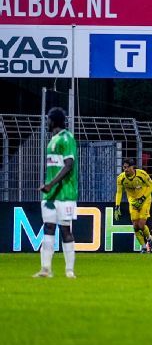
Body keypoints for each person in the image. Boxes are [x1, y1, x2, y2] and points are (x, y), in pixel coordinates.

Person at [34, 107, 77, 279]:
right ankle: (46, 269)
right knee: (49, 228)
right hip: (50, 195)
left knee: (66, 229)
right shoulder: (53, 140)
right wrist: (48, 186)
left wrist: (50, 184)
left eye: (48, 119)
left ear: (54, 120)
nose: (47, 122)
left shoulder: (67, 138)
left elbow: (68, 165)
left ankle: (69, 270)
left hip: (65, 194)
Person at [115, 162, 152, 252]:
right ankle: (144, 247)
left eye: (127, 167)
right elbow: (119, 192)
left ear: (132, 167)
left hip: (145, 200)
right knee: (135, 226)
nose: (125, 169)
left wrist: (143, 197)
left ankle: (149, 238)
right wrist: (117, 205)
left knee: (141, 224)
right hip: (133, 203)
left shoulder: (141, 174)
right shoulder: (121, 178)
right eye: (124, 167)